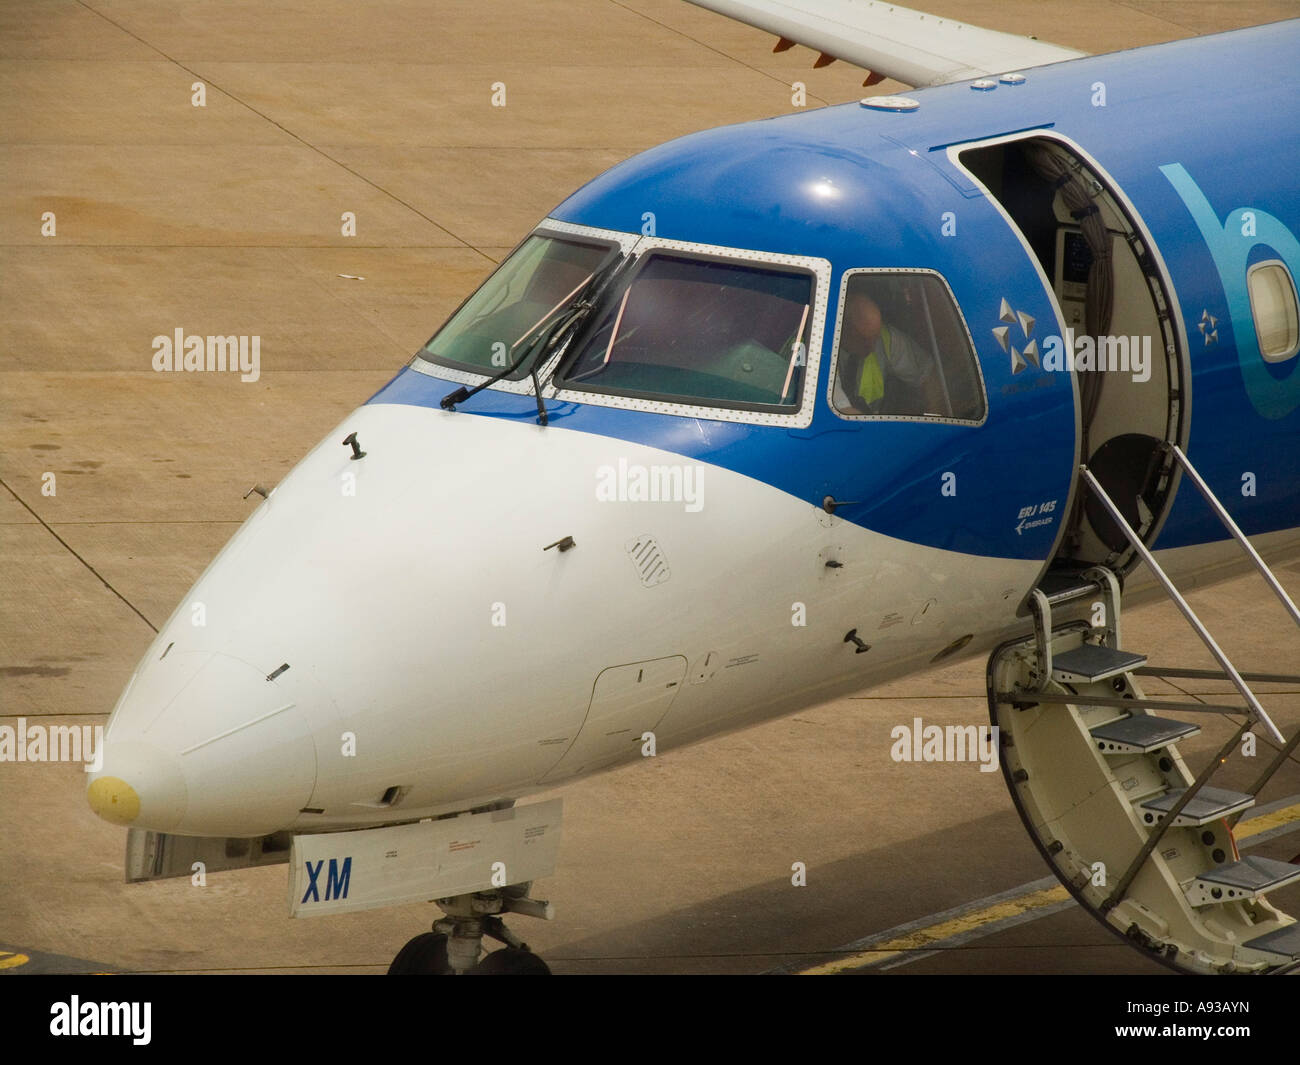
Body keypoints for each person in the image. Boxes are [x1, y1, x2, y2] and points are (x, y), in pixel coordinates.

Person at [838, 288, 940, 416]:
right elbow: (841, 409)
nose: (872, 347)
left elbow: (928, 376)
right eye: (863, 339)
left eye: (874, 337)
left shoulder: (886, 338)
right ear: (844, 329)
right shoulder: (823, 348)